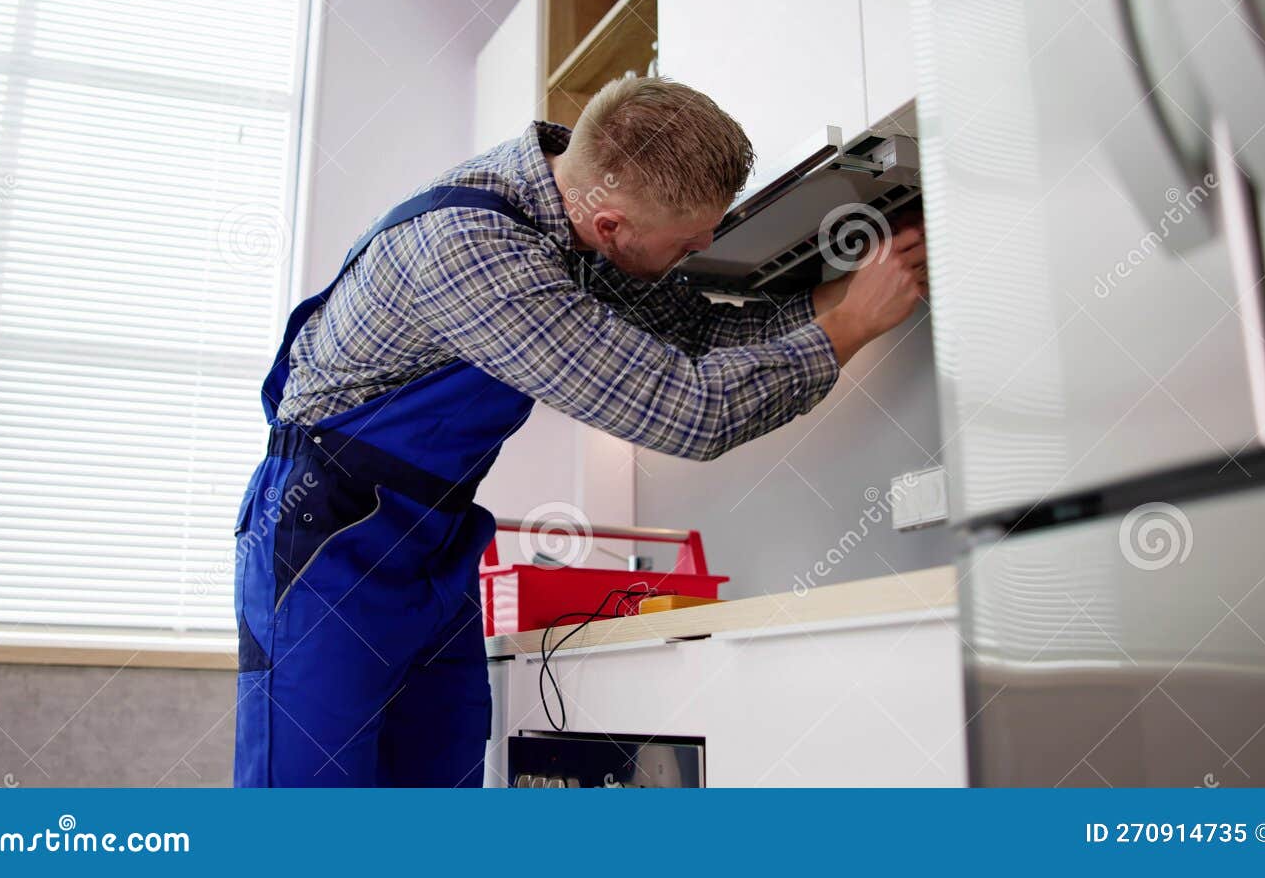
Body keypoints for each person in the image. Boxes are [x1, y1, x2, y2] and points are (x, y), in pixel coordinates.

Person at [231, 76, 928, 787]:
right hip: (324, 544)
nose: (701, 253)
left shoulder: (568, 214)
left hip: (428, 547)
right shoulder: (475, 252)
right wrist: (847, 327)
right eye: (689, 246)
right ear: (611, 228)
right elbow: (693, 408)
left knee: (435, 791)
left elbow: (697, 334)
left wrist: (841, 296)